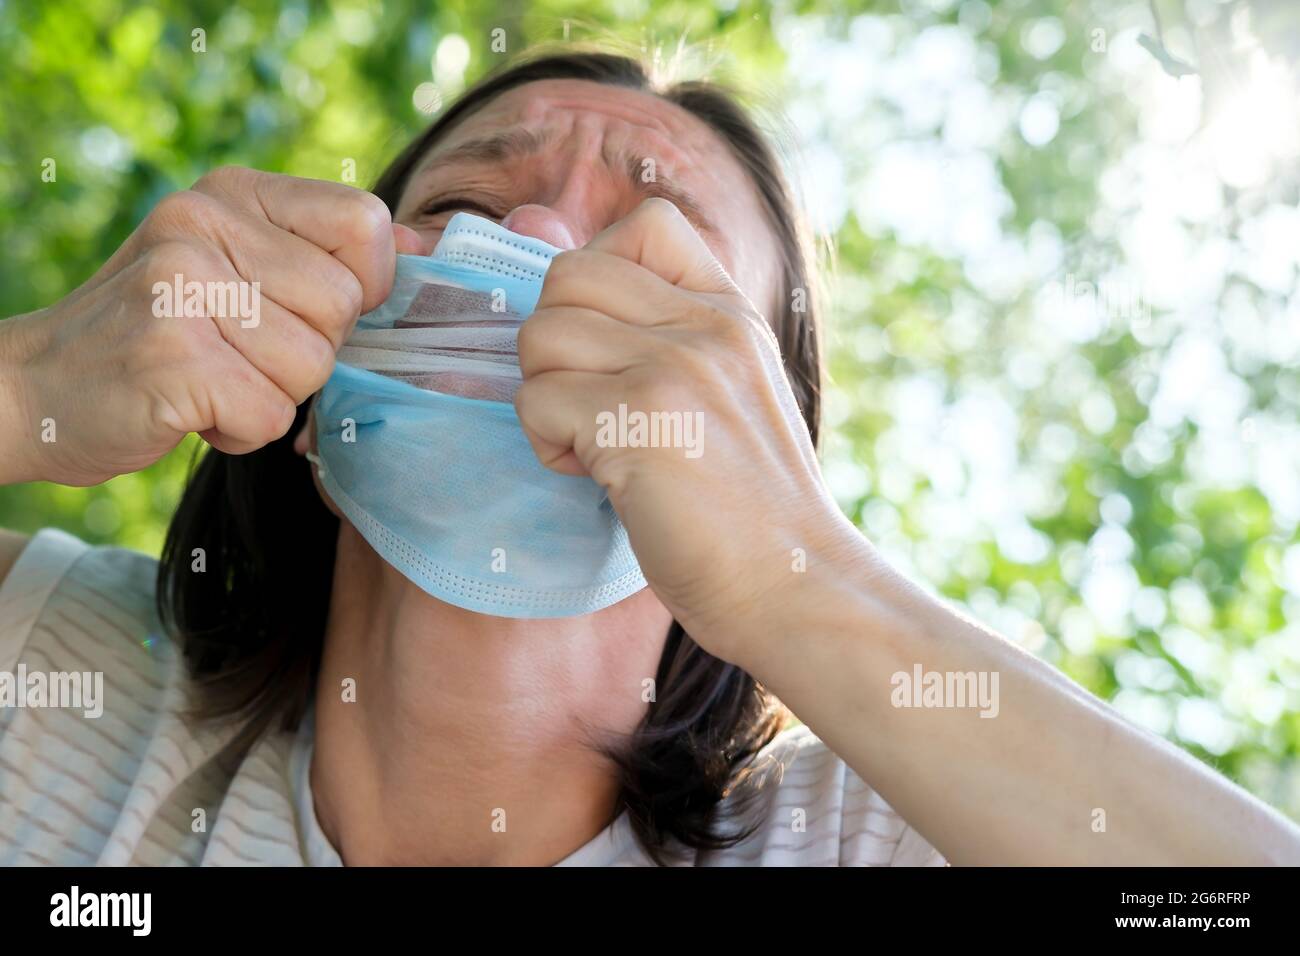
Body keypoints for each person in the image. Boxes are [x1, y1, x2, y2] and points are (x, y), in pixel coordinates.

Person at [0, 50, 1296, 867]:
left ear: (766, 438)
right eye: (460, 208)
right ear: (310, 375)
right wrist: (24, 387)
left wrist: (802, 581)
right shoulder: (54, 663)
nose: (545, 233)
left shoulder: (887, 835)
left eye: (656, 259)